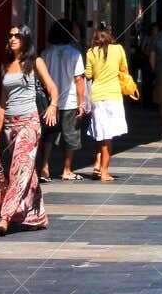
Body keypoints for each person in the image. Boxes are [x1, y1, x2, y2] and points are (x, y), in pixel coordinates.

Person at [0, 26, 58, 234]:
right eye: (10, 35)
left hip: (29, 123)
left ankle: (6, 216)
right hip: (10, 125)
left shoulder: (35, 62)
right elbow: (1, 102)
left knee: (18, 169)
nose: (12, 38)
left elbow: (52, 87)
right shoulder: (6, 66)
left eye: (17, 35)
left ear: (26, 39)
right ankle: (38, 216)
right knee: (27, 171)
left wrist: (53, 105)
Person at [39, 18, 86, 181]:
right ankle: (67, 169)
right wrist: (82, 102)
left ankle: (44, 167)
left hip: (51, 102)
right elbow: (79, 79)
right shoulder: (75, 54)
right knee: (70, 136)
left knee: (49, 135)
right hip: (70, 101)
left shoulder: (45, 53)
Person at [85, 21, 129, 180]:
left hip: (97, 96)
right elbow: (124, 69)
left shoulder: (91, 53)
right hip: (114, 96)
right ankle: (104, 171)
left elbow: (88, 74)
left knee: (102, 134)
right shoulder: (118, 49)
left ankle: (99, 165)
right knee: (108, 136)